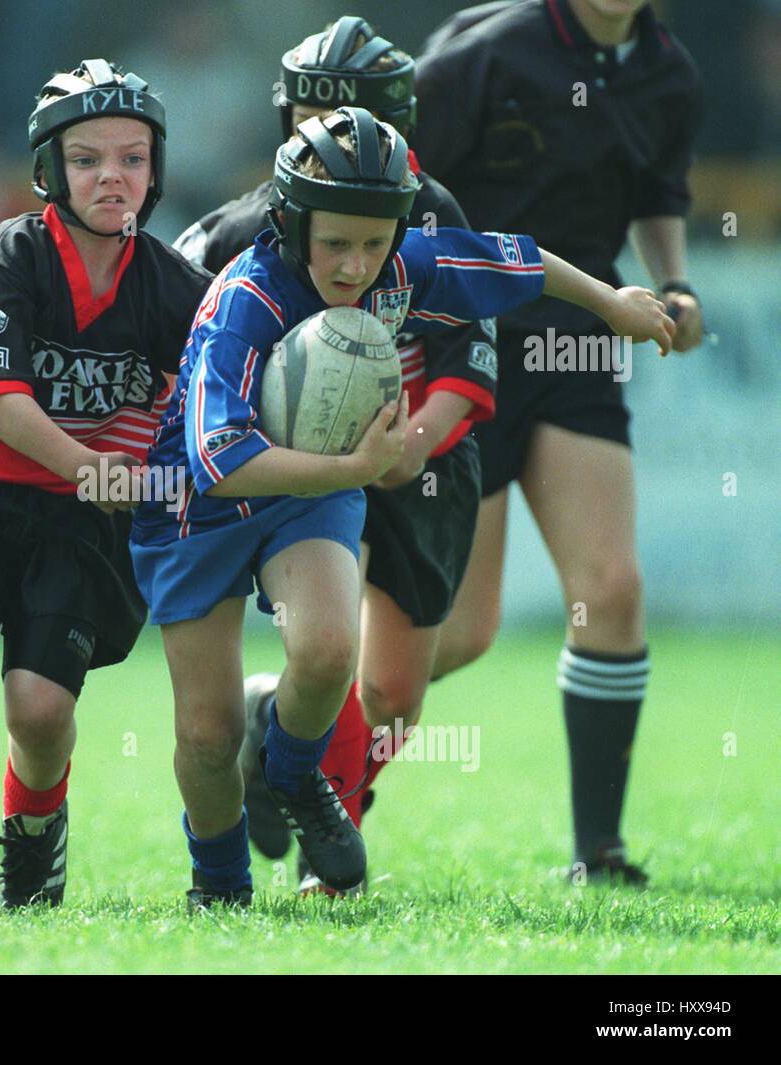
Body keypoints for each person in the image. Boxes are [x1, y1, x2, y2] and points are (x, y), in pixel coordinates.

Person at [130, 106, 672, 907]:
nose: (355, 265)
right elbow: (222, 458)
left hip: (307, 493)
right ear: (291, 223)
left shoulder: (400, 267)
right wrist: (354, 464)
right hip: (202, 504)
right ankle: (219, 887)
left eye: (374, 243)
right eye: (336, 243)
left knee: (323, 652)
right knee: (207, 735)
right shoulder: (247, 298)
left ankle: (292, 774)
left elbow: (517, 260)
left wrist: (612, 305)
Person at [175, 15, 500, 895]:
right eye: (308, 113)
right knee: (339, 650)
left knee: (409, 683)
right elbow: (173, 319)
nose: (327, 136)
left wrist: (407, 449)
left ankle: (272, 720)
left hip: (423, 455)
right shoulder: (250, 228)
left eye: (352, 113)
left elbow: (474, 359)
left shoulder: (431, 217)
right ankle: (331, 846)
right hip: (307, 475)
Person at [0, 60, 211, 910]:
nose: (113, 176)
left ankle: (35, 840)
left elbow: (225, 402)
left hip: (77, 515)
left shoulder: (179, 290)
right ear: (48, 172)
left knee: (37, 709)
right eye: (87, 157)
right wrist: (92, 465)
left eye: (134, 158)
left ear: (157, 170)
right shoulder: (11, 252)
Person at [413, 0, 705, 885]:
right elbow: (398, 178)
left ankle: (599, 851)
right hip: (466, 338)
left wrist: (678, 283)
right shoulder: (487, 53)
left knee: (611, 592)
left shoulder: (670, 74)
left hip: (582, 339)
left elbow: (659, 194)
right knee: (457, 632)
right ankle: (291, 729)